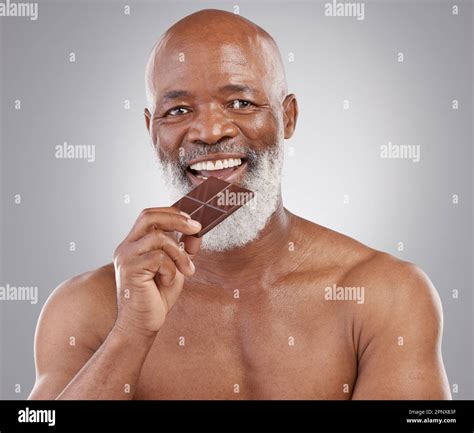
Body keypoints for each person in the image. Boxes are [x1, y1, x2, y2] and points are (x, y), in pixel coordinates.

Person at [29, 9, 451, 400]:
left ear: (288, 117)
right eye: (177, 110)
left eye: (240, 103)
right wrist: (130, 332)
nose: (209, 132)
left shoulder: (386, 295)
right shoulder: (85, 309)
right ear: (152, 131)